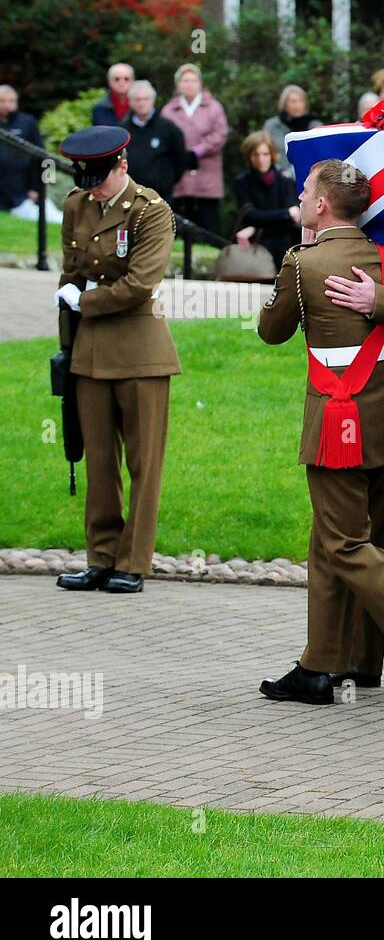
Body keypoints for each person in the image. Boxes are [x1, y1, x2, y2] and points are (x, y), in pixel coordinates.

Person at [256, 159, 384, 706]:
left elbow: (270, 331)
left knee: (345, 544)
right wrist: (382, 301)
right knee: (331, 541)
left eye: (304, 192)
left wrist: (294, 258)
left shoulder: (304, 262)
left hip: (335, 426)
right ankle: (322, 665)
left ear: (321, 206)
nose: (299, 197)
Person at [52, 126, 180, 595]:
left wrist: (82, 302)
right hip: (89, 352)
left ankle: (133, 560)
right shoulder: (76, 205)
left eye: (100, 178)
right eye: (87, 180)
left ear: (122, 165)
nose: (93, 189)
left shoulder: (151, 211)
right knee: (99, 461)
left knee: (144, 464)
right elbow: (72, 273)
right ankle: (101, 557)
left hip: (141, 351)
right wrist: (67, 347)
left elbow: (138, 285)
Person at [162, 63, 229, 238]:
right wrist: (181, 154)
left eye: (193, 80)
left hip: (207, 171)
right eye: (185, 81)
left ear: (200, 83)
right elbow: (165, 136)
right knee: (181, 225)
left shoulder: (214, 107)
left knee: (208, 225)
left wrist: (198, 151)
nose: (189, 84)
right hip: (180, 174)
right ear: (178, 84)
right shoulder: (169, 110)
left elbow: (220, 134)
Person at [230, 131, 301, 266]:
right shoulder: (241, 182)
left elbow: (291, 222)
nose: (261, 159)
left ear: (272, 155)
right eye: (255, 154)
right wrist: (285, 213)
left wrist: (255, 228)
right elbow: (250, 215)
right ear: (249, 156)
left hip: (283, 247)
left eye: (265, 154)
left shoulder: (285, 181)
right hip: (254, 248)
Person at [121, 81, 188, 203]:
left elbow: (180, 158)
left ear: (153, 100)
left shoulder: (168, 128)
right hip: (131, 196)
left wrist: (167, 181)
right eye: (137, 99)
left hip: (161, 196)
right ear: (130, 101)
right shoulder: (123, 130)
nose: (142, 103)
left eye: (145, 99)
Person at [262, 85, 322, 183]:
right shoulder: (272, 126)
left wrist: (291, 173)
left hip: (309, 179)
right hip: (276, 178)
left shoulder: (315, 127)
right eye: (293, 101)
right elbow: (265, 151)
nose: (297, 105)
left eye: (300, 101)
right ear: (284, 104)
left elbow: (317, 155)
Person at [0, 85, 43, 213]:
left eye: (11, 101)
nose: (7, 105)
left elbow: (44, 158)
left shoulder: (28, 122)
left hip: (23, 193)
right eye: (2, 101)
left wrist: (38, 188)